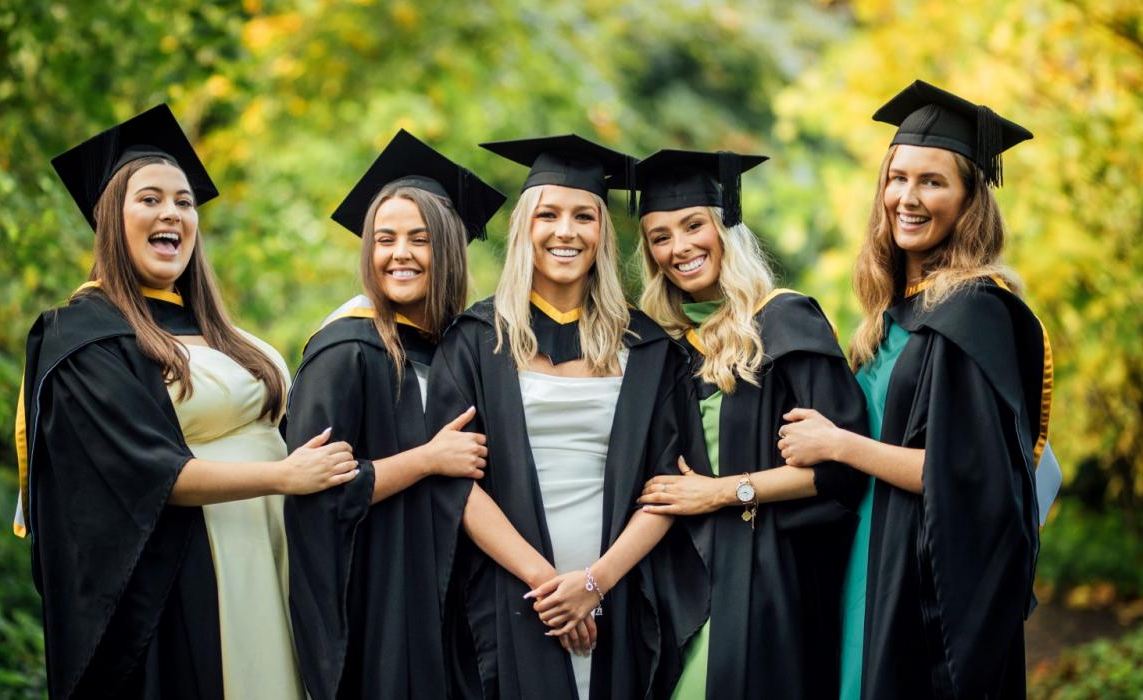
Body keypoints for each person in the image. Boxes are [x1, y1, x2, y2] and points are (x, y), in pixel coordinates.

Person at [14, 105, 354, 699]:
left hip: (275, 557)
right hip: (188, 579)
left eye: (184, 201)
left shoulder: (222, 332)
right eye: (149, 199)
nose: (171, 211)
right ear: (108, 219)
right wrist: (283, 476)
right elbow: (142, 473)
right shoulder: (83, 335)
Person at [776, 80, 1053, 700]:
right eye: (897, 178)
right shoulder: (891, 315)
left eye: (933, 181)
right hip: (866, 563)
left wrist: (837, 444)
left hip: (918, 583)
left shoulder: (976, 313)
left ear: (969, 201)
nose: (908, 197)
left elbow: (969, 475)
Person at [428, 135, 709, 700]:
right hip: (513, 589)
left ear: (602, 231)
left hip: (621, 587)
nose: (566, 231)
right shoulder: (476, 341)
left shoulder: (648, 348)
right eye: (548, 215)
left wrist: (594, 582)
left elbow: (670, 486)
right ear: (524, 228)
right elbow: (456, 484)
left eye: (584, 216)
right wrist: (547, 585)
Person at [632, 149, 868, 699]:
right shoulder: (660, 346)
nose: (680, 248)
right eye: (660, 236)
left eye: (694, 226)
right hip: (679, 573)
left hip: (762, 573)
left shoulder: (785, 322)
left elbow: (839, 470)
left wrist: (720, 494)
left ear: (725, 228)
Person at [282, 129, 505, 700]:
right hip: (380, 599)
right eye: (384, 239)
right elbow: (316, 489)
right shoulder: (345, 349)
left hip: (458, 599)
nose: (399, 253)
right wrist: (428, 461)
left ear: (450, 249)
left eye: (419, 238)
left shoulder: (466, 347)